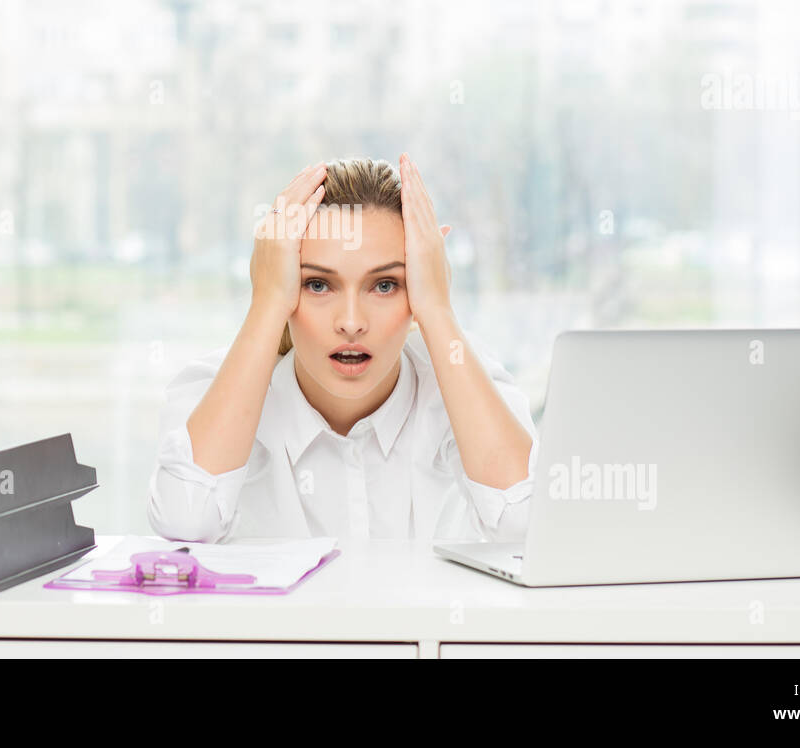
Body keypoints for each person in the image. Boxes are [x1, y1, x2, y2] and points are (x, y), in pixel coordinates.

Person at [146, 153, 538, 543]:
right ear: (284, 288)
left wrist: (437, 309)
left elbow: (527, 524)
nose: (351, 322)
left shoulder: (462, 380)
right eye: (317, 284)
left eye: (385, 285)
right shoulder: (212, 388)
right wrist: (266, 304)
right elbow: (186, 521)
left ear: (418, 287)